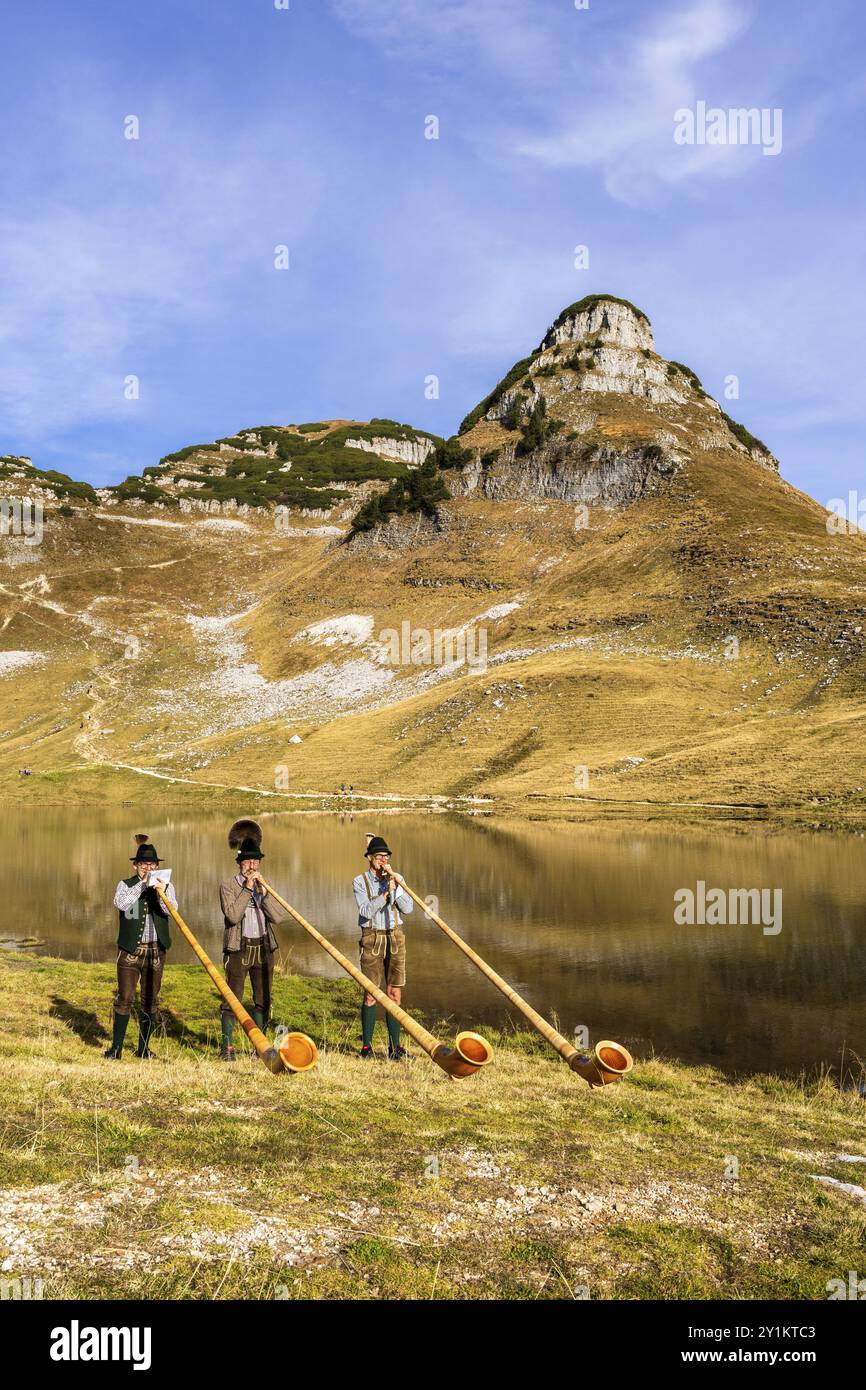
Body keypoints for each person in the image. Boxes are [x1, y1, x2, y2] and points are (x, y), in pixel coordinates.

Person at [106, 835, 178, 1060]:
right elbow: (122, 904)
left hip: (156, 951)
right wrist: (142, 885)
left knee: (150, 1000)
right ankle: (116, 1048)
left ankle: (144, 1049)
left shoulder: (167, 886)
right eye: (144, 864)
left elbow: (172, 911)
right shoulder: (125, 884)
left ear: (157, 866)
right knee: (125, 997)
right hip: (130, 951)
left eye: (152, 864)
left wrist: (162, 891)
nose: (148, 867)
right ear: (135, 865)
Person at [218, 831, 287, 1062]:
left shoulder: (265, 884)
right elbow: (232, 916)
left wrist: (265, 895)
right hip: (239, 948)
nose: (252, 865)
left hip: (264, 947)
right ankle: (227, 1048)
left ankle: (262, 1048)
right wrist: (247, 889)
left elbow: (278, 918)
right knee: (232, 999)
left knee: (263, 1000)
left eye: (256, 861)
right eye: (247, 861)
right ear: (239, 863)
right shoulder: (228, 886)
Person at [353, 834, 413, 1060]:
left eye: (386, 857)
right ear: (369, 858)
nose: (383, 861)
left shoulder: (397, 878)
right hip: (372, 937)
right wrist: (385, 894)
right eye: (379, 857)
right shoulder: (359, 881)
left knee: (394, 992)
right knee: (371, 993)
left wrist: (397, 888)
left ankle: (394, 1048)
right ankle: (366, 1048)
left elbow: (407, 909)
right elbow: (366, 911)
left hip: (395, 936)